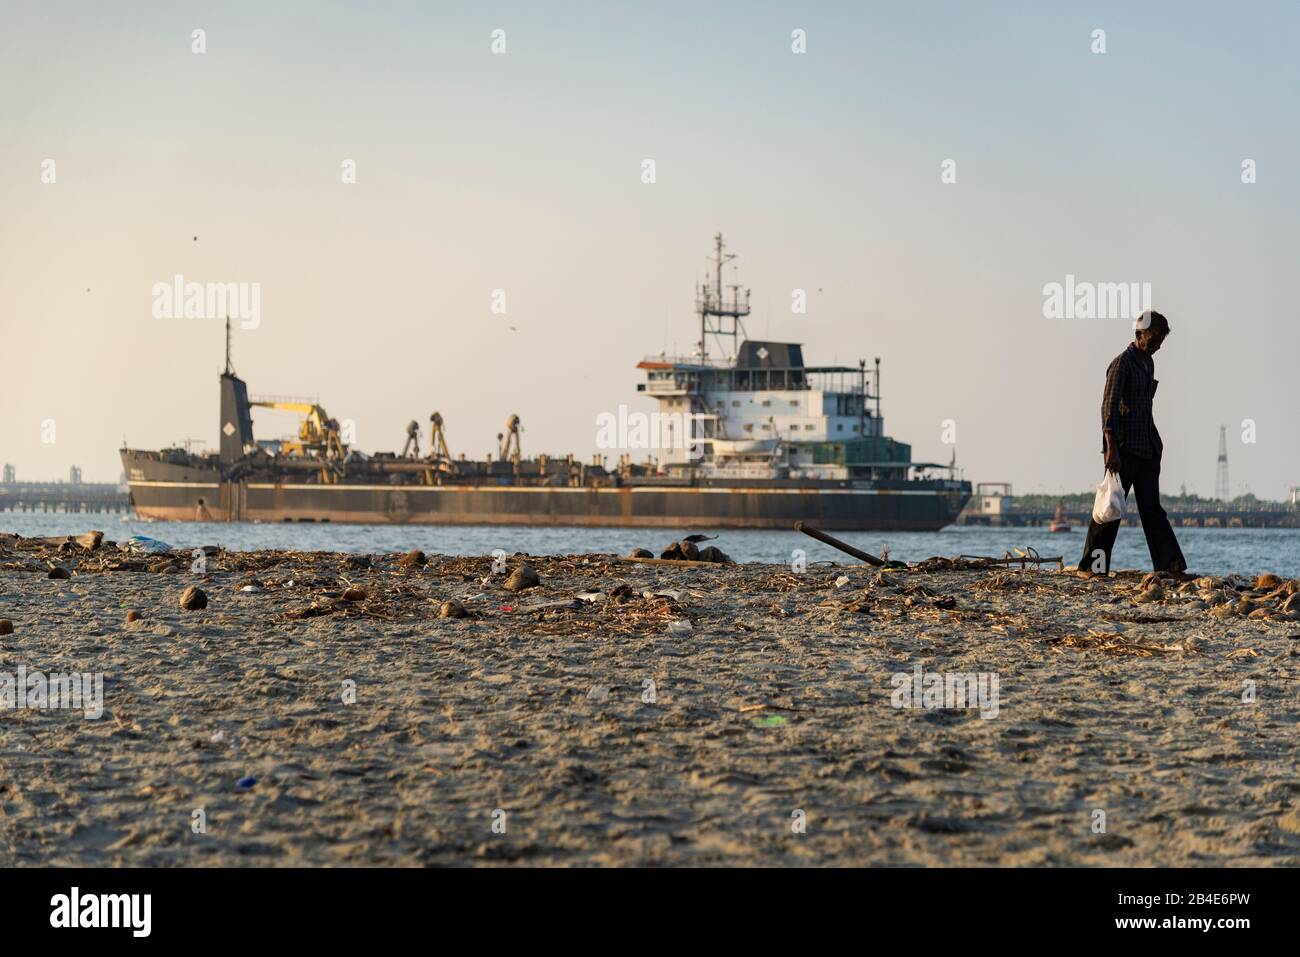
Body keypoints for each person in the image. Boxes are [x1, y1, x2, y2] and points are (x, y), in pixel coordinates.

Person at [1078, 310, 1188, 578]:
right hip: (1124, 449)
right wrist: (1111, 446)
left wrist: (1156, 445)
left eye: (1160, 341)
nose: (1157, 346)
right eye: (1153, 341)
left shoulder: (1148, 363)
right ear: (1139, 335)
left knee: (1152, 509)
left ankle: (1169, 567)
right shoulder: (1122, 364)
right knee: (1109, 509)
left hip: (1148, 449)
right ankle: (1092, 567)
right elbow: (1109, 406)